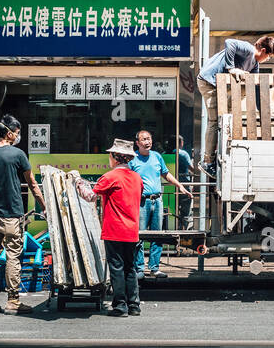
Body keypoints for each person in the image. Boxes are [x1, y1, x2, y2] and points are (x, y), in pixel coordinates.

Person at [0, 114, 44, 316]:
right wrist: (44, 206)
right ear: (9, 133)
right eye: (17, 132)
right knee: (13, 256)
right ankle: (13, 301)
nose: (18, 136)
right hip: (13, 215)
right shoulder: (18, 155)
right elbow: (32, 184)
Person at [77, 139, 145, 317]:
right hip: (132, 230)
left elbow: (90, 196)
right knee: (130, 268)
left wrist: (78, 182)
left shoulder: (110, 177)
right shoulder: (137, 178)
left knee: (116, 268)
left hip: (114, 229)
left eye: (110, 155)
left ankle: (120, 305)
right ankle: (134, 305)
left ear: (115, 157)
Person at [196, 35, 274, 175]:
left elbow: (255, 89)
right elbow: (229, 42)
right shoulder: (248, 49)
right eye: (269, 57)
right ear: (263, 50)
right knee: (214, 121)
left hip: (221, 88)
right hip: (208, 82)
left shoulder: (254, 66)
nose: (267, 60)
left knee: (226, 118)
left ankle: (219, 152)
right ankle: (207, 161)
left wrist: (264, 112)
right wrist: (231, 68)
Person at [131, 129, 191, 279]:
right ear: (137, 143)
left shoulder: (157, 156)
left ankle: (154, 268)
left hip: (157, 200)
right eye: (144, 139)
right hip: (141, 202)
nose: (147, 142)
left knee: (158, 235)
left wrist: (180, 186)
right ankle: (139, 268)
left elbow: (166, 174)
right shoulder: (132, 159)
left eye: (149, 139)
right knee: (138, 236)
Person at [174, 135, 194, 229]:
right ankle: (183, 227)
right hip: (184, 184)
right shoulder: (183, 154)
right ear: (181, 143)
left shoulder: (166, 153)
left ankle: (175, 225)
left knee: (174, 206)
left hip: (171, 185)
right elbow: (191, 168)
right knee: (185, 208)